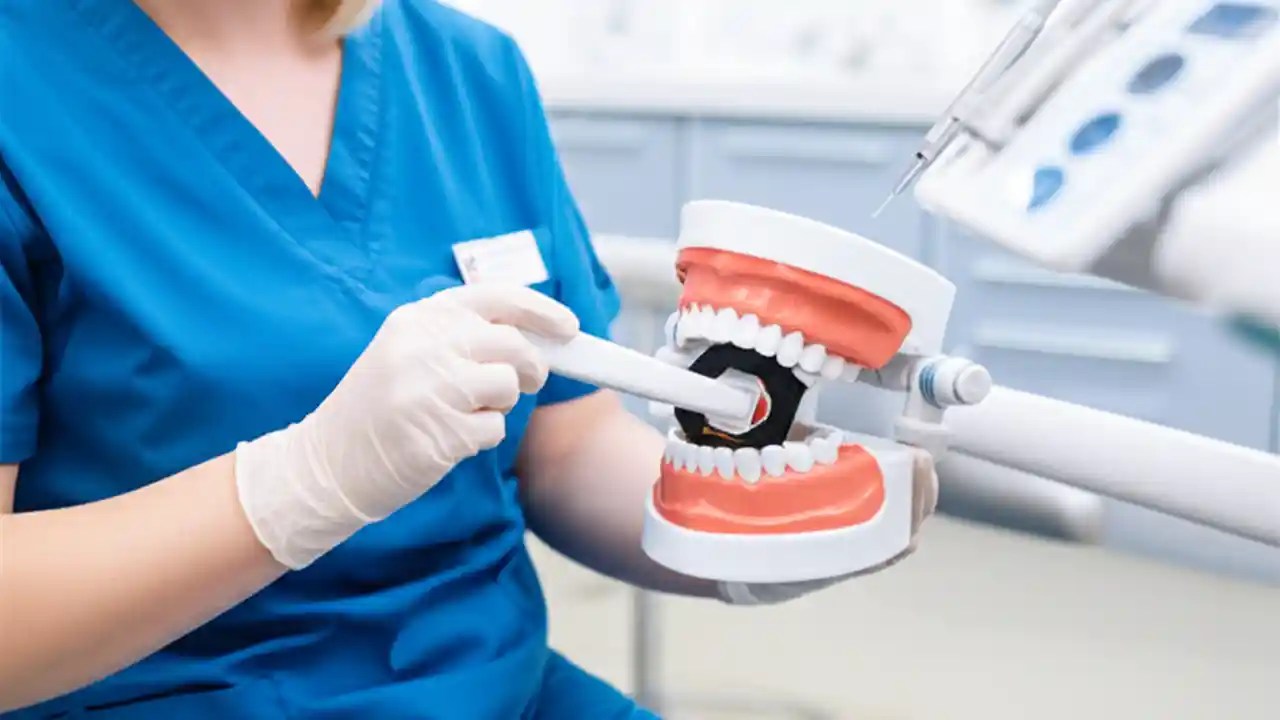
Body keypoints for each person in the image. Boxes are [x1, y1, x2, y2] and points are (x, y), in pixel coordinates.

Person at [0, 0, 938, 717]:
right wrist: (299, 486)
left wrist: (745, 538)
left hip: (503, 690)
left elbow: (566, 451)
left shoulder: (466, 71)